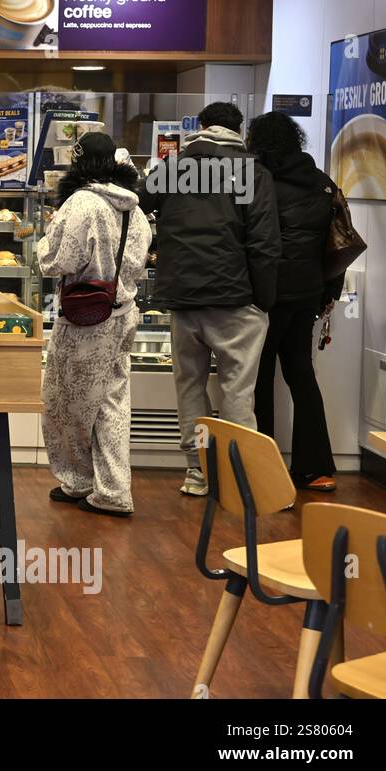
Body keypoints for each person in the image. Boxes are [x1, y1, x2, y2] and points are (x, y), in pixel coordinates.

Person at [139, 102, 281, 497]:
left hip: (183, 298)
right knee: (237, 390)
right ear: (239, 132)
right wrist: (264, 300)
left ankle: (198, 471)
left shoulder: (173, 169)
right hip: (236, 299)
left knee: (190, 386)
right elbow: (265, 243)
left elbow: (136, 205)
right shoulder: (252, 173)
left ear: (200, 128)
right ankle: (236, 479)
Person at [38, 133, 152, 517]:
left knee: (65, 403)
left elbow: (56, 261)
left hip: (86, 319)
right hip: (123, 314)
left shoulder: (82, 203)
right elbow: (139, 260)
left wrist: (43, 240)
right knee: (112, 402)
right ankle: (114, 491)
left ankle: (78, 480)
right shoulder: (133, 208)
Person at [247, 111, 344, 492]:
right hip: (306, 294)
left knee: (259, 381)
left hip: (265, 295)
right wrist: (329, 292)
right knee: (302, 376)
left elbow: (251, 241)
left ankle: (262, 470)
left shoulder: (259, 181)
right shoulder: (321, 182)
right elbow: (337, 241)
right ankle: (315, 468)